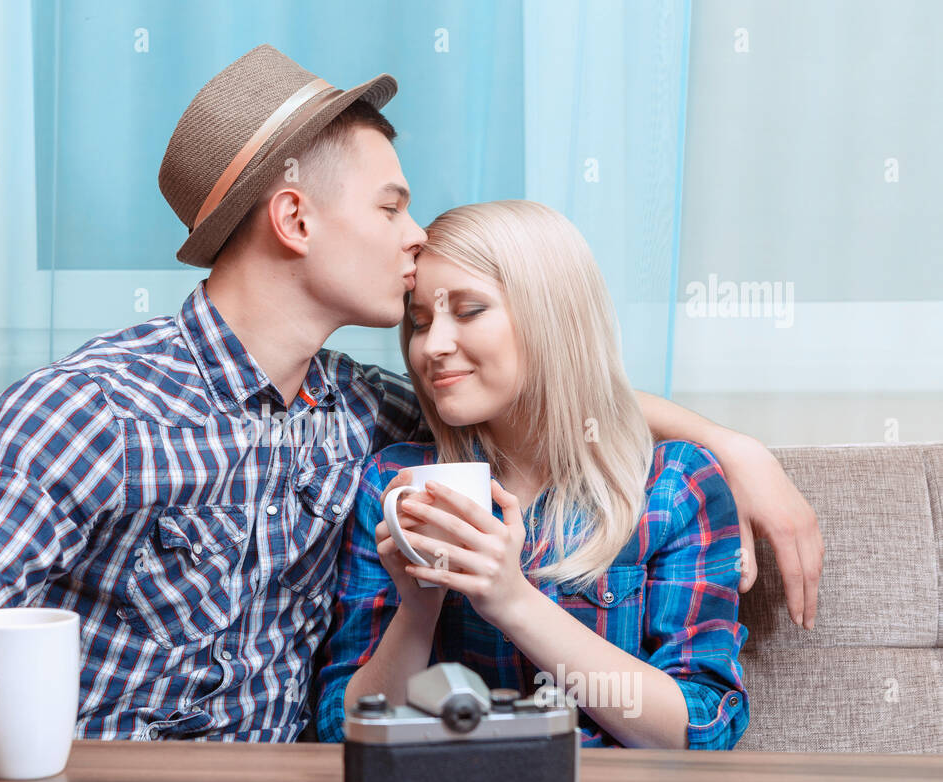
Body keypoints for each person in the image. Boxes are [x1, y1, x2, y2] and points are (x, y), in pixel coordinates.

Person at [0, 45, 822, 781]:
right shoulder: (90, 407)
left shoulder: (366, 414)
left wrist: (732, 446)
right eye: (392, 208)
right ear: (297, 220)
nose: (415, 239)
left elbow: (536, 389)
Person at [314, 200, 764, 748]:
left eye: (470, 310)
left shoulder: (673, 487)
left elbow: (700, 729)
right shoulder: (396, 479)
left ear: (552, 316)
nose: (432, 347)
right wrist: (419, 606)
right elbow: (345, 734)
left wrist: (511, 600)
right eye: (420, 322)